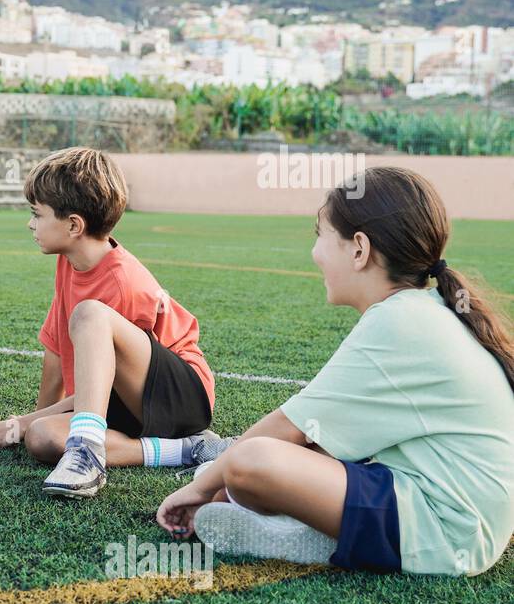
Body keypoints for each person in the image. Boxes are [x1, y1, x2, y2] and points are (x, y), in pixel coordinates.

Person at [157, 167, 514, 576]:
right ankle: (308, 521)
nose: (315, 252)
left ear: (359, 249)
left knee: (249, 462)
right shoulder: (425, 309)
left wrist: (201, 489)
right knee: (266, 461)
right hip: (457, 517)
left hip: (446, 532)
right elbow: (320, 436)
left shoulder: (400, 322)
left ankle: (313, 533)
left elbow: (287, 428)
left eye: (320, 234)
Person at [0, 147, 228, 497]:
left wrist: (16, 424)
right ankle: (190, 450)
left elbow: (96, 388)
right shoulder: (69, 262)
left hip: (179, 395)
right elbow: (56, 350)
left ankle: (88, 452)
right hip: (132, 404)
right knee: (43, 438)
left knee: (90, 314)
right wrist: (34, 422)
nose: (30, 223)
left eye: (37, 214)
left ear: (74, 225)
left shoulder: (122, 282)